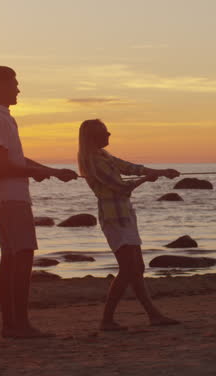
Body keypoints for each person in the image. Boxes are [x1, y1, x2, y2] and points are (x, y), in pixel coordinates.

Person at [0, 66, 77, 338]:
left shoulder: (1, 117)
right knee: (20, 258)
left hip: (4, 196)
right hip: (9, 196)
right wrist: (39, 172)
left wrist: (50, 171)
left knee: (11, 259)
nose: (18, 89)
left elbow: (17, 161)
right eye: (14, 84)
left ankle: (11, 324)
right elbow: (3, 164)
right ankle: (18, 324)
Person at [77, 119, 180, 331]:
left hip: (125, 215)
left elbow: (130, 167)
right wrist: (147, 179)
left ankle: (152, 315)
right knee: (128, 268)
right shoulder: (93, 161)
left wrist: (160, 172)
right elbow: (121, 187)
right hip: (114, 218)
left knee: (137, 267)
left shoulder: (103, 155)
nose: (109, 134)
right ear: (94, 137)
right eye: (105, 132)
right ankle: (109, 319)